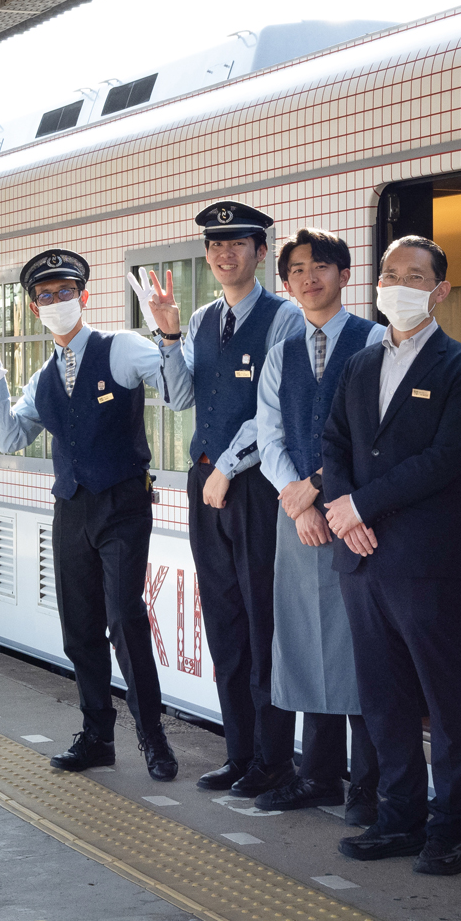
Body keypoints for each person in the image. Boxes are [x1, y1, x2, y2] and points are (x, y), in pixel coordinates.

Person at [0, 248, 177, 782]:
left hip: (123, 501)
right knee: (79, 627)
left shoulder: (123, 347)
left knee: (125, 619)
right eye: (46, 296)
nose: (58, 301)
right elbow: (12, 437)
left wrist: (167, 336)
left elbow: (177, 393)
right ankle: (97, 737)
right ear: (35, 308)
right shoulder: (41, 378)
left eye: (67, 292)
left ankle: (153, 737)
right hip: (71, 506)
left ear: (84, 297)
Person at [319, 235, 461, 875]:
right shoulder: (361, 364)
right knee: (383, 696)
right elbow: (332, 443)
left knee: (444, 697)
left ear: (440, 290)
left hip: (423, 561)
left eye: (414, 275)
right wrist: (342, 508)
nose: (399, 284)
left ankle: (450, 828)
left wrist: (360, 507)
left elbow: (444, 460)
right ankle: (398, 817)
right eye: (390, 273)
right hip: (360, 559)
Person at [138, 200, 305, 797]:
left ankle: (274, 761)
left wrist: (228, 468)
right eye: (214, 245)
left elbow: (276, 409)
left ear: (261, 252)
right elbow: (180, 397)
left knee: (263, 626)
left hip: (255, 488)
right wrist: (167, 332)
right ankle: (240, 754)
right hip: (207, 487)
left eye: (237, 243)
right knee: (226, 625)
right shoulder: (205, 320)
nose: (224, 253)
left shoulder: (284, 317)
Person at [253, 228, 384, 825]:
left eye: (322, 266)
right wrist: (297, 500)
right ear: (286, 284)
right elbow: (270, 434)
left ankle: (369, 783)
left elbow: (379, 439)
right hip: (298, 516)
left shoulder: (377, 341)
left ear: (345, 275)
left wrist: (321, 491)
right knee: (306, 641)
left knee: (363, 647)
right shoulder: (282, 354)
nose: (310, 277)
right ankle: (319, 775)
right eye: (298, 269)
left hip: (360, 516)